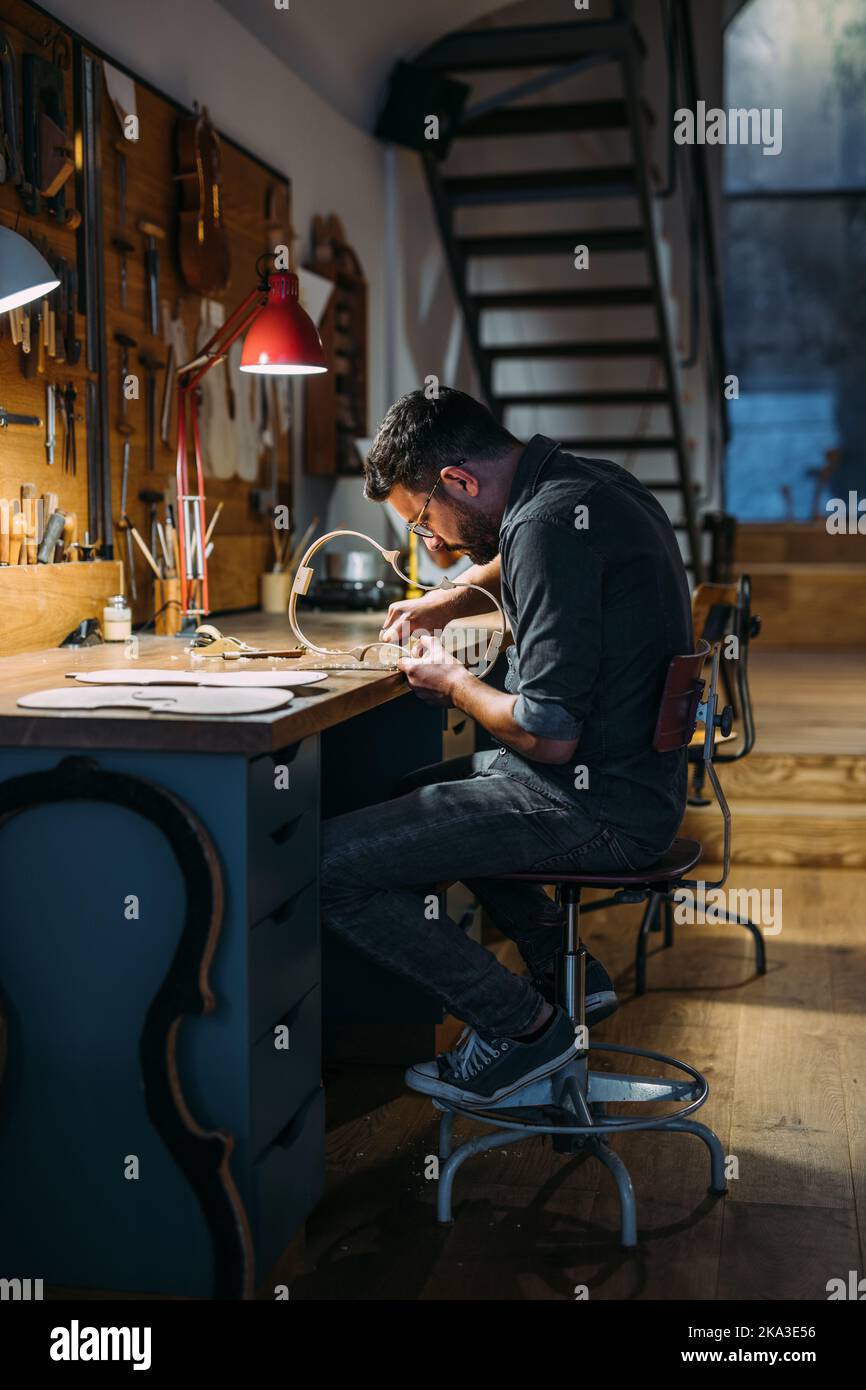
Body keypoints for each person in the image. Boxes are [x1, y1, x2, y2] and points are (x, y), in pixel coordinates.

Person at [320, 387, 693, 1109]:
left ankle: (524, 1028)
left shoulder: (545, 525)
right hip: (636, 786)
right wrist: (451, 596)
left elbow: (549, 736)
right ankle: (569, 972)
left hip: (594, 807)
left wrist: (454, 682)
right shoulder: (588, 485)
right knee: (412, 796)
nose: (436, 546)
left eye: (425, 522)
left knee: (330, 869)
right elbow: (525, 546)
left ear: (460, 481)